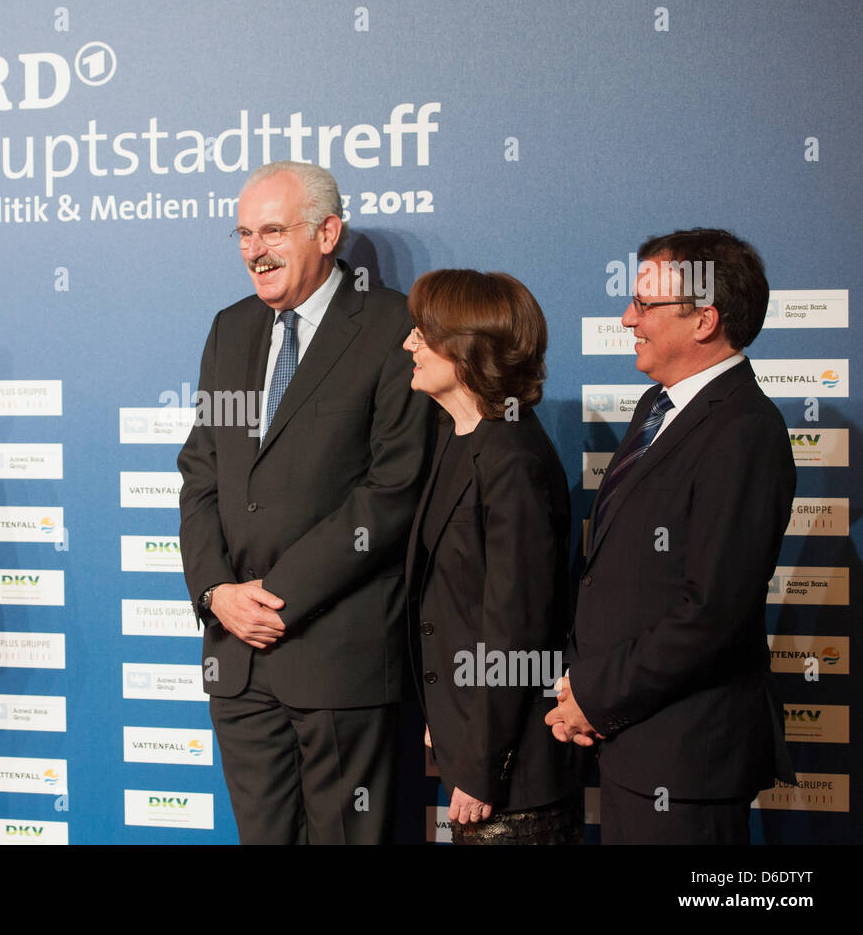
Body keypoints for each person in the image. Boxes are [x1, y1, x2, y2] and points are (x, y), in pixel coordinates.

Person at [177, 161, 430, 844]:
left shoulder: (391, 325)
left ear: (328, 232)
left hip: (338, 656)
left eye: (271, 231)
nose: (253, 250)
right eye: (242, 234)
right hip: (238, 657)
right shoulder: (230, 329)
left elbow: (394, 488)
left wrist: (276, 594)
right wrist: (216, 591)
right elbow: (200, 474)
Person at [546, 228, 796, 844]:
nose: (627, 318)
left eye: (645, 304)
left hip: (687, 756)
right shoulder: (657, 406)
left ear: (704, 319)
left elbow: (712, 613)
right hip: (634, 741)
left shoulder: (744, 431)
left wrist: (596, 695)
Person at [402, 269, 582, 844]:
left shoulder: (513, 460)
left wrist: (480, 767)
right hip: (468, 746)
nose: (409, 342)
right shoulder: (459, 437)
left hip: (512, 778)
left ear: (469, 345)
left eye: (424, 333)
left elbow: (515, 631)